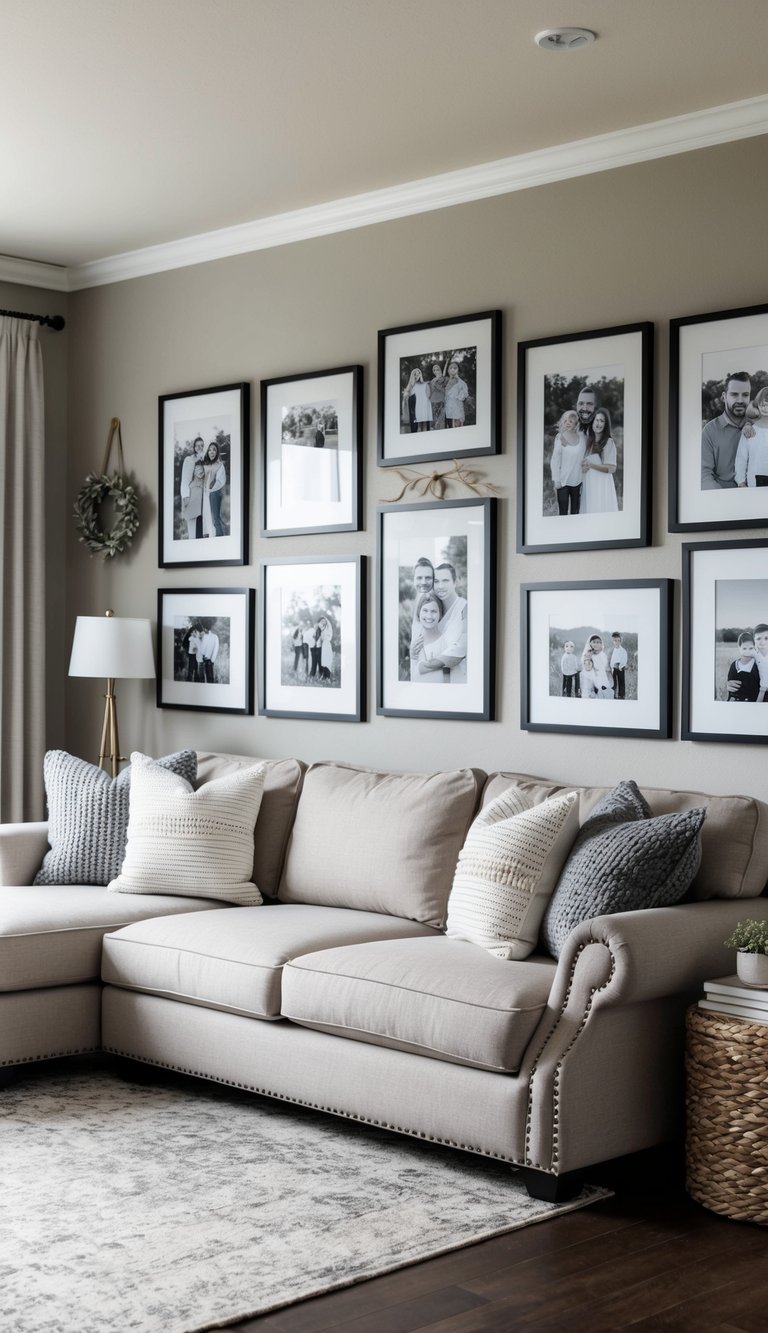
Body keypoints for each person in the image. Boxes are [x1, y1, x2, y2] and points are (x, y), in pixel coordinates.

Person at [416, 562, 467, 682]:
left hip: (458, 679)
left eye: (445, 581)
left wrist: (425, 666)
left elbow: (461, 648)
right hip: (433, 681)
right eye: (436, 581)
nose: (440, 586)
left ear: (455, 582)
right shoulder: (433, 610)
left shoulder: (464, 607)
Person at [701, 371, 752, 489]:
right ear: (724, 396)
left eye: (745, 395)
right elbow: (704, 475)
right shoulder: (709, 431)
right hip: (723, 498)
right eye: (734, 394)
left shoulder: (760, 427)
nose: (740, 400)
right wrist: (725, 498)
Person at [581, 408, 618, 513]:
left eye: (602, 421)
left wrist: (592, 465)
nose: (598, 423)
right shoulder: (588, 441)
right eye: (597, 420)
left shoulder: (609, 442)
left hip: (602, 485)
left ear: (605, 425)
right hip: (589, 484)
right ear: (592, 421)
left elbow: (612, 468)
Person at [550, 409, 585, 515]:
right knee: (563, 512)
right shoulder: (560, 438)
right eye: (565, 421)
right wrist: (556, 480)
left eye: (570, 421)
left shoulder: (581, 438)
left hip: (577, 481)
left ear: (576, 423)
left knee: (575, 512)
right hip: (563, 481)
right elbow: (555, 460)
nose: (567, 423)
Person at [410, 592, 447, 683]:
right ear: (419, 612)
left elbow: (447, 674)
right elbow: (413, 672)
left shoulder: (443, 641)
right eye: (425, 610)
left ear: (440, 614)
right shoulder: (416, 641)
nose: (429, 616)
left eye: (434, 611)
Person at [735, 385, 768, 487]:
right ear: (757, 405)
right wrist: (741, 481)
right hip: (754, 480)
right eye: (762, 405)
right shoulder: (749, 431)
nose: (765, 408)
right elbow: (741, 458)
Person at [726, 631, 761, 701]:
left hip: (753, 700)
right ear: (739, 648)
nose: (747, 651)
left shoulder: (757, 665)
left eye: (750, 648)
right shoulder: (734, 665)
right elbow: (730, 683)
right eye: (744, 648)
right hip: (737, 700)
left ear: (754, 648)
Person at [203, 442, 226, 537]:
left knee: (215, 519)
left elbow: (220, 481)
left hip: (214, 494)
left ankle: (220, 539)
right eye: (209, 450)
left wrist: (211, 490)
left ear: (217, 453)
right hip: (204, 494)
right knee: (206, 518)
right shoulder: (205, 465)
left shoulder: (219, 465)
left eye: (214, 450)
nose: (211, 452)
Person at [181, 460, 206, 539]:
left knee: (200, 534)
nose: (200, 471)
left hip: (201, 515)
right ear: (194, 471)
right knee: (192, 535)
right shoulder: (190, 486)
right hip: (192, 515)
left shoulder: (204, 485)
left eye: (202, 469)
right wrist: (184, 510)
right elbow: (185, 503)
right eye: (197, 469)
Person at [179, 436, 205, 506]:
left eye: (202, 445)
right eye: (197, 445)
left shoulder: (205, 460)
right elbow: (185, 480)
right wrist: (185, 495)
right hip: (192, 492)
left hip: (203, 493)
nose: (200, 447)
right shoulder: (189, 460)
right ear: (194, 447)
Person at [444, 361, 469, 428]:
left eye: (455, 368)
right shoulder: (445, 382)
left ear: (458, 370)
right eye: (451, 368)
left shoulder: (462, 384)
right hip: (446, 413)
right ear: (448, 370)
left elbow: (464, 396)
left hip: (456, 414)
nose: (452, 369)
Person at [428, 360, 449, 430]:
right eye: (435, 370)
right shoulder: (432, 380)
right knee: (433, 422)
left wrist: (438, 386)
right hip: (433, 402)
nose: (436, 371)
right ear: (433, 372)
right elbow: (430, 392)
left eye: (438, 369)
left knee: (441, 422)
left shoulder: (445, 379)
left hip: (441, 401)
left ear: (440, 370)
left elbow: (445, 391)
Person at [609, 631, 628, 700]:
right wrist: (612, 666)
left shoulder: (623, 650)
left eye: (618, 640)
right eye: (615, 641)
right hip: (614, 668)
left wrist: (621, 666)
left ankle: (621, 695)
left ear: (620, 641)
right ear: (613, 641)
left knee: (621, 681)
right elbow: (612, 659)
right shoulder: (614, 650)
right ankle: (613, 694)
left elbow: (624, 659)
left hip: (620, 667)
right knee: (614, 682)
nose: (616, 642)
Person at [754, 623, 768, 703]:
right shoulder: (751, 657)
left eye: (766, 638)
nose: (762, 642)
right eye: (758, 638)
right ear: (754, 640)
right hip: (755, 694)